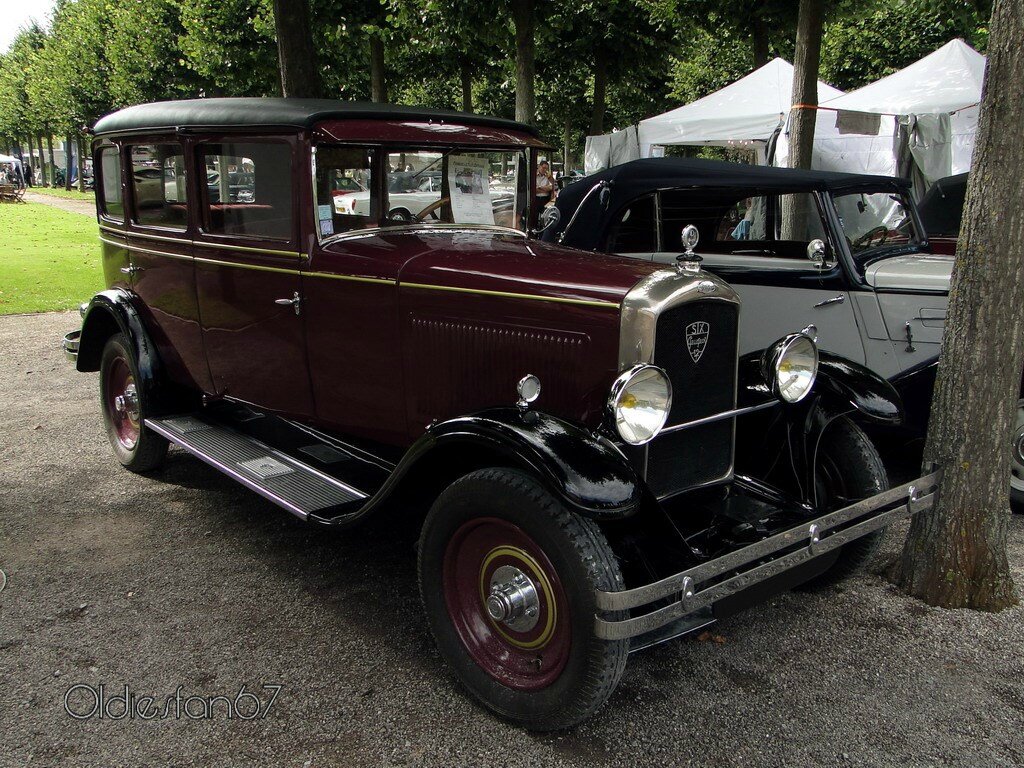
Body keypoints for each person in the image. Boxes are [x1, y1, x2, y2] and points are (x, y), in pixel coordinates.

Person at [534, 160, 555, 226]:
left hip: (545, 199)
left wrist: (539, 188)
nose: (545, 170)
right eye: (543, 168)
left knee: (545, 217)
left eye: (546, 168)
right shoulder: (534, 176)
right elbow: (534, 189)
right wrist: (545, 189)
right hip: (536, 199)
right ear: (539, 167)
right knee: (534, 217)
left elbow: (552, 187)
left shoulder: (548, 176)